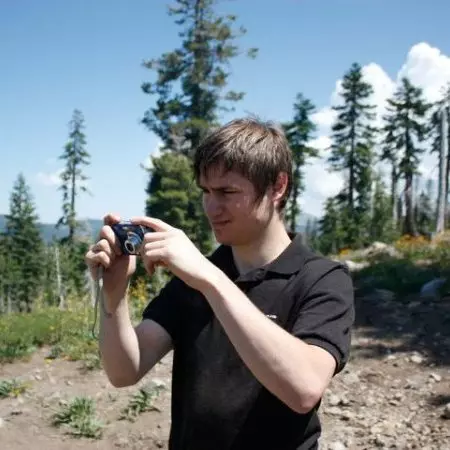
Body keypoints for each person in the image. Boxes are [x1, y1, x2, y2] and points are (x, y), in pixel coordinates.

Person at [85, 117, 355, 450]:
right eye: (206, 192)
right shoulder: (194, 278)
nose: (212, 207)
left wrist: (211, 279)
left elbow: (304, 388)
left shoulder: (321, 279)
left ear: (277, 186)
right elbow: (124, 370)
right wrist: (114, 298)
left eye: (227, 191)